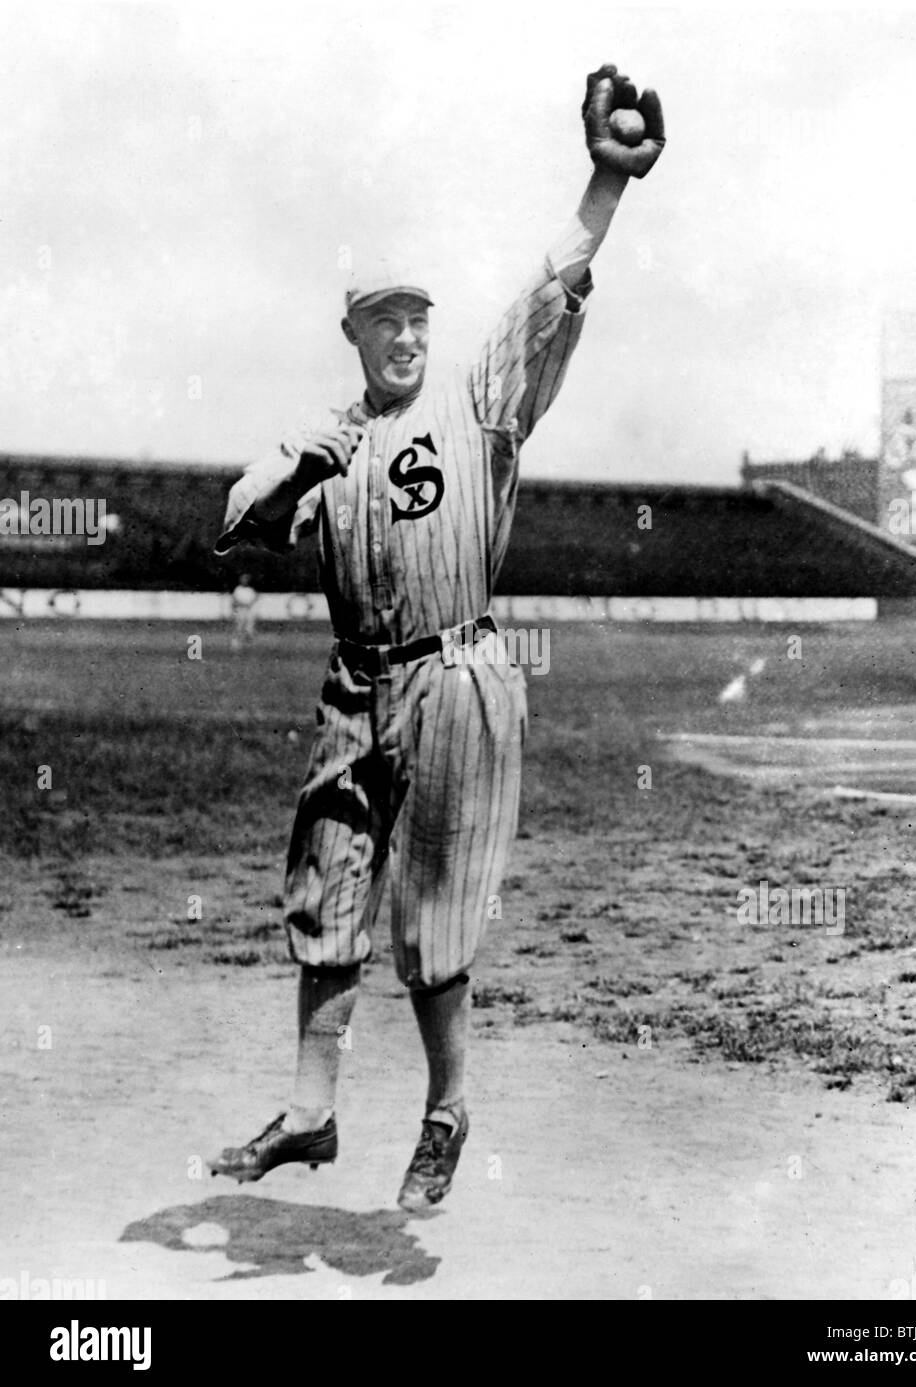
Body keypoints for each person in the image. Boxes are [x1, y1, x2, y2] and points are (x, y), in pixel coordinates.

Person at [208, 65, 665, 1212]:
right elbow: (239, 519)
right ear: (354, 332)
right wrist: (281, 477)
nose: (408, 333)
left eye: (419, 316)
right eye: (386, 319)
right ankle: (310, 1114)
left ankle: (447, 1105)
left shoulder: (475, 406)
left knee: (431, 910)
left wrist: (603, 181)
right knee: (323, 881)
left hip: (457, 672)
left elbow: (546, 291)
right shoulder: (334, 440)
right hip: (353, 683)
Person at [230, 573, 258, 650]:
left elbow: (253, 600)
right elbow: (235, 601)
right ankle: (235, 645)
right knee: (238, 628)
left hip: (248, 612)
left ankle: (249, 646)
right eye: (243, 579)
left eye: (246, 579)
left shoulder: (250, 590)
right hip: (240, 611)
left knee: (249, 628)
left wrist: (248, 604)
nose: (244, 581)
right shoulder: (238, 589)